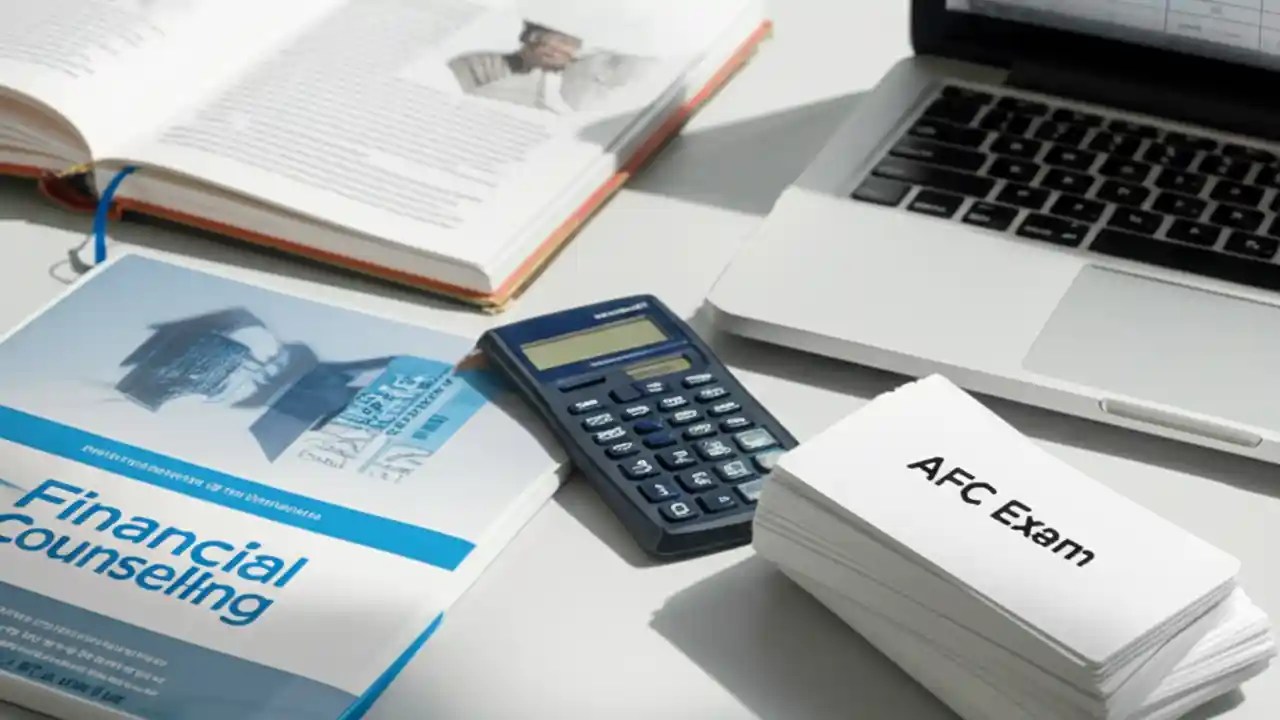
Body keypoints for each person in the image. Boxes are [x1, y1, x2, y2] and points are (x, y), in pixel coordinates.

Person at [448, 21, 583, 108]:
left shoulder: (552, 83)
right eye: (564, 41)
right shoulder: (475, 64)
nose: (571, 52)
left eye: (575, 44)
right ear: (534, 37)